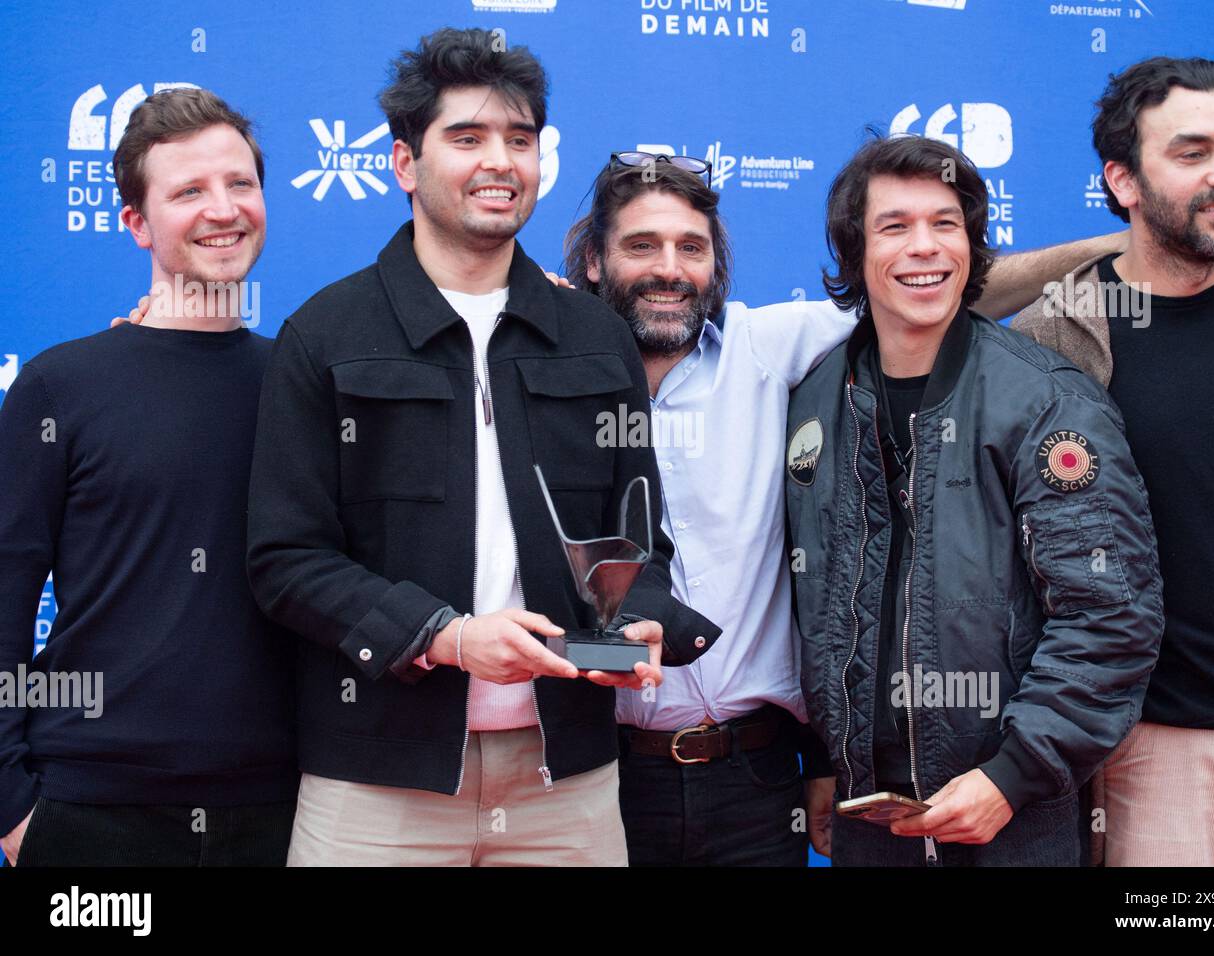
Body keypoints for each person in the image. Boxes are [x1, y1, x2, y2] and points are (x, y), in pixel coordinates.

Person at [565, 150, 1134, 865]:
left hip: (756, 778)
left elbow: (931, 289)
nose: (670, 269)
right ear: (593, 260)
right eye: (641, 246)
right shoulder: (545, 376)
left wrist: (1119, 243)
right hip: (599, 774)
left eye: (692, 247)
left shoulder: (770, 349)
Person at [244, 27, 718, 867]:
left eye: (521, 140)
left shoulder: (595, 338)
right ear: (402, 163)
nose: (500, 161)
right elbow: (287, 558)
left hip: (563, 784)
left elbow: (638, 540)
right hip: (375, 788)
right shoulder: (324, 334)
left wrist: (640, 620)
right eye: (467, 138)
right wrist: (445, 636)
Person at [788, 132, 1164, 866]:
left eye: (945, 224)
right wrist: (825, 763)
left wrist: (1010, 776)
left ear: (973, 244)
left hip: (1011, 817)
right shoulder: (816, 399)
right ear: (854, 252)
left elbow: (1111, 616)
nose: (924, 248)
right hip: (870, 820)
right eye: (894, 227)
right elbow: (816, 607)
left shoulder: (1047, 402)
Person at [0, 88, 298, 867]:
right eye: (188, 191)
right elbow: (3, 595)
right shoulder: (61, 385)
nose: (223, 209)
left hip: (280, 811)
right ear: (135, 223)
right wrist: (13, 811)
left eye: (240, 184)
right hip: (91, 811)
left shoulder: (304, 383)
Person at [1014, 56, 1214, 866]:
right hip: (1160, 758)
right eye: (1192, 153)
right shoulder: (1052, 337)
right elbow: (930, 295)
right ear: (1123, 180)